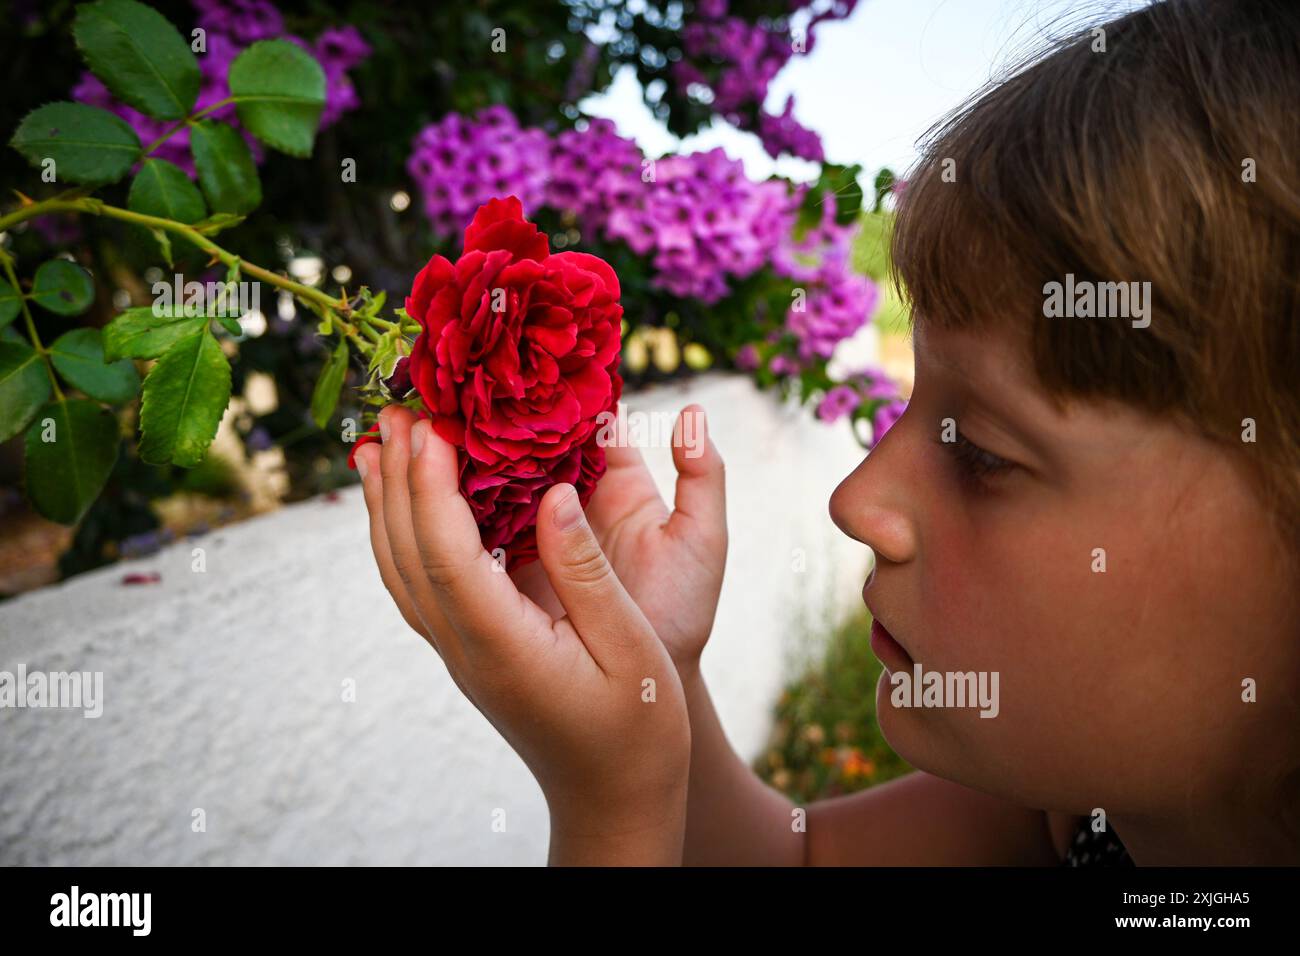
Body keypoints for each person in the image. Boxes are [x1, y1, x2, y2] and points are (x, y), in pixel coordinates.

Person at [353, 0, 1300, 865]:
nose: (856, 504)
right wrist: (659, 671)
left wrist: (612, 811)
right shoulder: (1078, 822)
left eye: (982, 454)